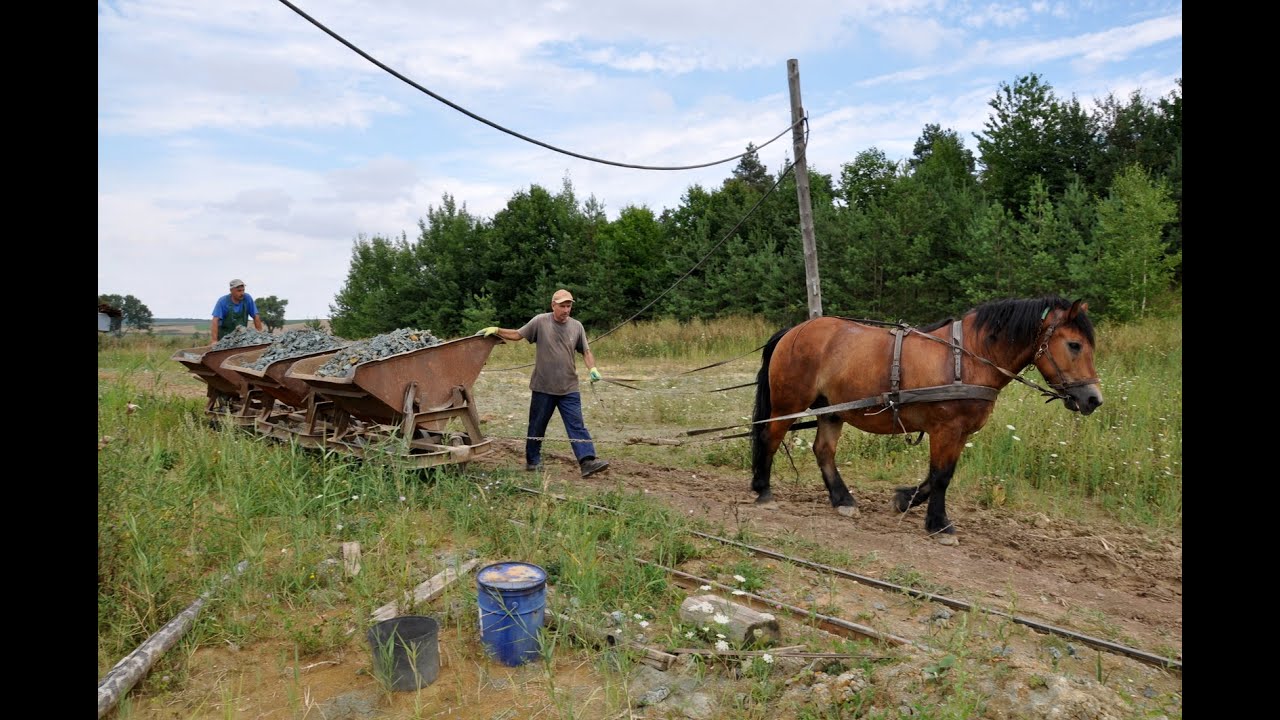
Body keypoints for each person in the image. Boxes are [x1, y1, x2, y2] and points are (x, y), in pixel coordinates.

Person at [478, 289, 610, 478]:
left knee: (576, 425)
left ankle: (587, 461)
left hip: (569, 387)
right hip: (543, 387)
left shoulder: (577, 326)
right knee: (537, 426)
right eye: (562, 306)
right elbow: (517, 335)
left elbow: (586, 352)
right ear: (553, 305)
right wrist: (496, 330)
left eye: (569, 306)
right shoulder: (540, 321)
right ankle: (533, 461)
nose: (566, 310)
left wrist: (592, 369)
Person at [211, 278, 264, 343]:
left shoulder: (247, 298)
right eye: (239, 291)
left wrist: (260, 334)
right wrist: (214, 341)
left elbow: (255, 316)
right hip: (224, 339)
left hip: (242, 338)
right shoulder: (222, 301)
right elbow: (215, 320)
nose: (242, 293)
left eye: (243, 290)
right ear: (231, 290)